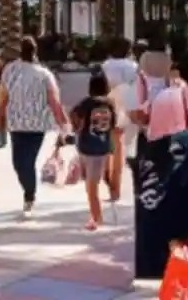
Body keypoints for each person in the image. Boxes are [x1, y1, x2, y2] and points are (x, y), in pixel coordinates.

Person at [0, 36, 69, 218]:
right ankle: (29, 192)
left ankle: (29, 194)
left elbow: (3, 98)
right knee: (23, 162)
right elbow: (55, 103)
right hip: (32, 125)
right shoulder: (40, 74)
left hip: (22, 124)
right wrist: (63, 124)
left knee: (21, 163)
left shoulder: (13, 71)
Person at [70, 73, 117, 230]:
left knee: (91, 188)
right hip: (104, 148)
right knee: (94, 182)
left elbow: (73, 113)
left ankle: (96, 218)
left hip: (87, 147)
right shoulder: (110, 103)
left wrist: (76, 128)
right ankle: (98, 214)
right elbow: (114, 124)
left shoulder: (87, 103)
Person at [100, 36, 139, 200]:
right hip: (126, 105)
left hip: (107, 103)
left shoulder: (105, 66)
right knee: (120, 147)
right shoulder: (134, 67)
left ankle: (108, 180)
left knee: (107, 147)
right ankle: (116, 186)